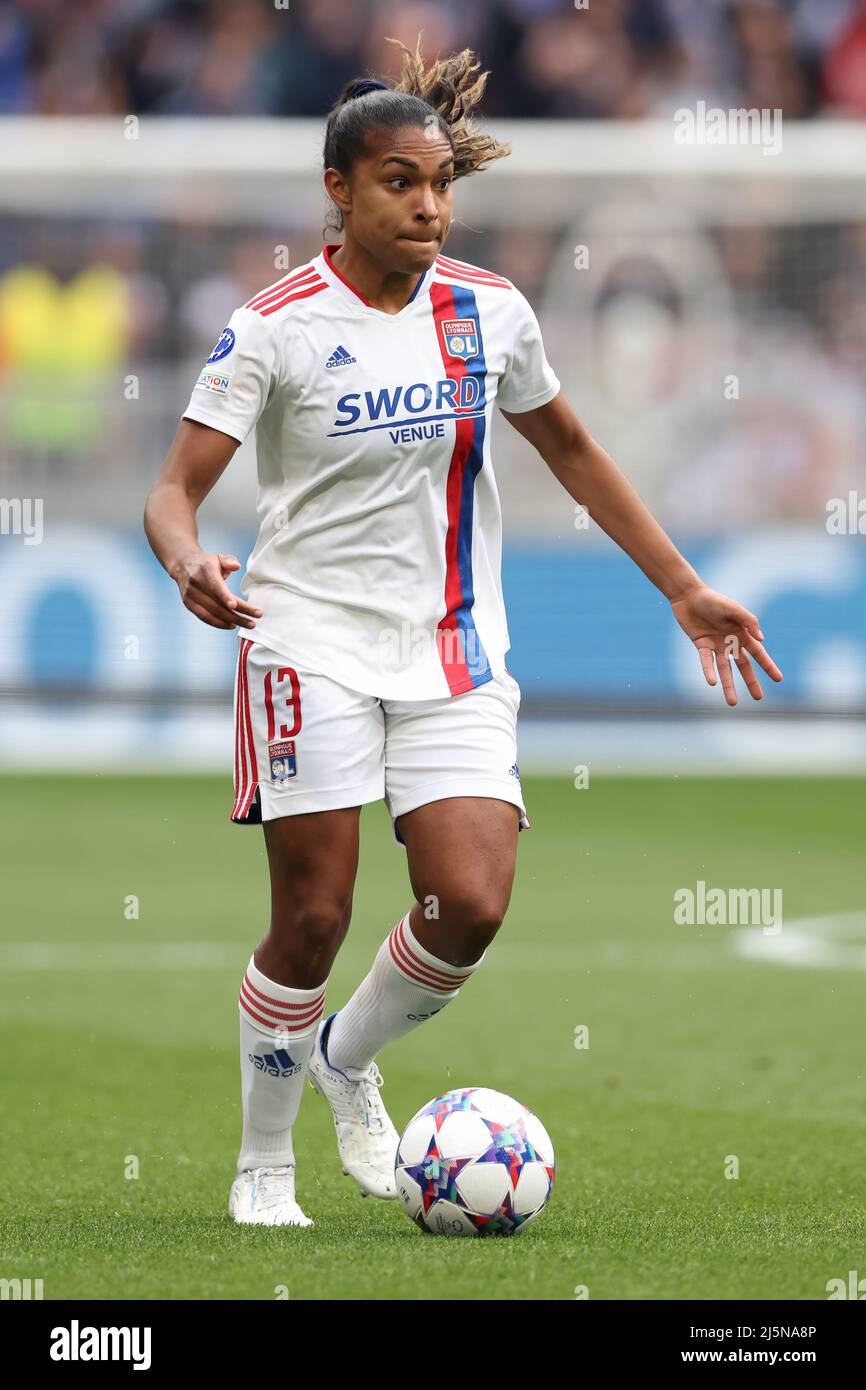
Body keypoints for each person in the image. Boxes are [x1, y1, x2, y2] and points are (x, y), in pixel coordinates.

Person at [143, 38, 783, 1227]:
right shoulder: (274, 326)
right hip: (307, 637)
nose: (428, 204)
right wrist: (188, 561)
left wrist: (682, 587)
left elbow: (575, 453)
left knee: (470, 901)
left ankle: (344, 1057)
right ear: (339, 190)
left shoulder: (488, 312)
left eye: (439, 183)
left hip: (452, 646)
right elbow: (173, 489)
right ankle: (265, 1163)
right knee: (316, 913)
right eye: (399, 181)